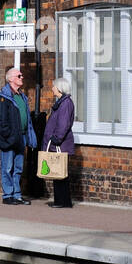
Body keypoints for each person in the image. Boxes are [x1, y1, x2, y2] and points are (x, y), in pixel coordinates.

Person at [0, 66, 35, 205]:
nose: (22, 77)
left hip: (22, 137)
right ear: (11, 79)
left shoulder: (21, 96)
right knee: (7, 167)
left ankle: (17, 194)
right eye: (19, 76)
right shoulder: (3, 98)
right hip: (10, 139)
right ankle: (8, 195)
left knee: (18, 168)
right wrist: (10, 136)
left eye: (21, 75)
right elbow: (1, 120)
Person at [41, 77, 75, 208]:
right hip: (58, 143)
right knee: (58, 173)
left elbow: (64, 123)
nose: (52, 88)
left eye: (54, 86)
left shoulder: (66, 103)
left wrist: (56, 139)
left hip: (60, 144)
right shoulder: (62, 103)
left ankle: (63, 201)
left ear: (59, 88)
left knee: (61, 174)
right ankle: (60, 201)